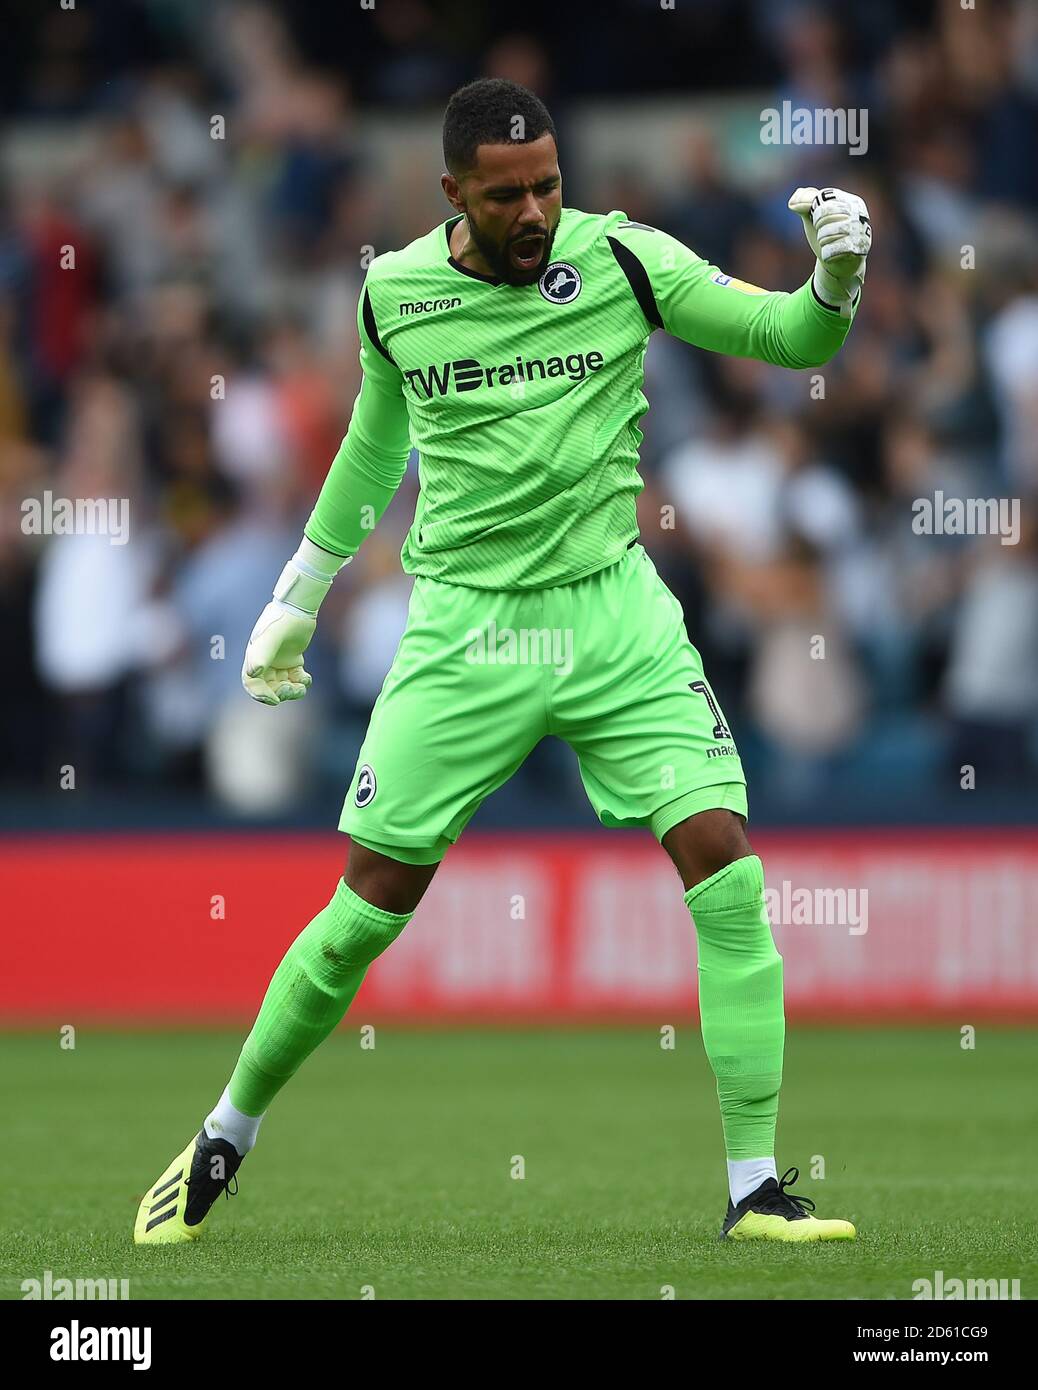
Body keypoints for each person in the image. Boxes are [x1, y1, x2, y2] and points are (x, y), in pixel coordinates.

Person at [134, 78, 870, 1247]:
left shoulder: (624, 261)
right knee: (368, 908)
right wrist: (296, 596)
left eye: (549, 186)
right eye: (507, 195)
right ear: (452, 195)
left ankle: (755, 1187)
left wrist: (834, 278)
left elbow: (789, 339)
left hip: (611, 609)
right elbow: (372, 458)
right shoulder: (395, 296)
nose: (535, 212)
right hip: (464, 625)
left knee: (725, 864)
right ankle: (226, 1133)